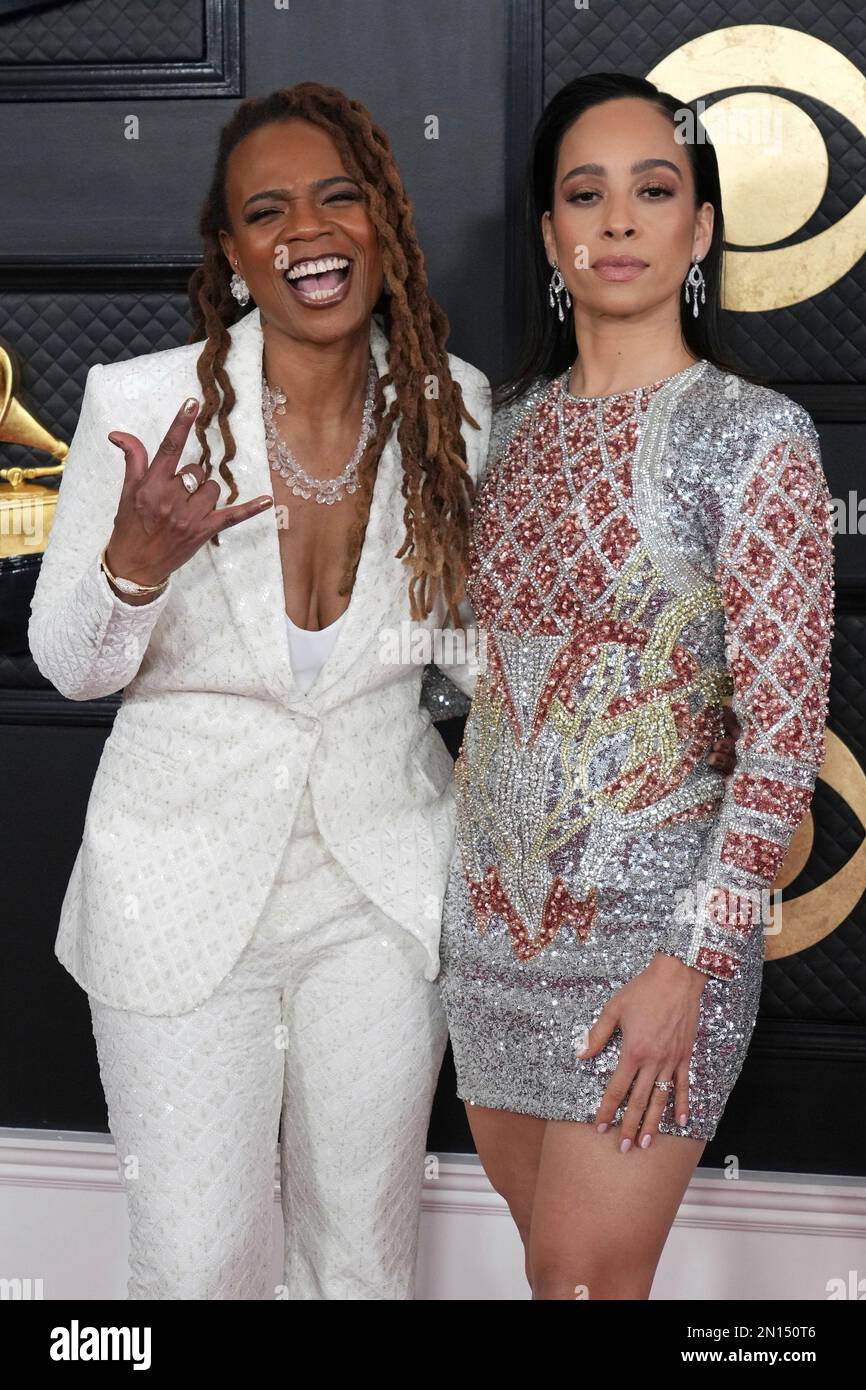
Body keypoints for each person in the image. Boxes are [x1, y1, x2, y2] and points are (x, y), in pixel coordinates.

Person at [28, 82, 491, 1301]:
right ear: (233, 252)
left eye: (339, 197)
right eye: (268, 209)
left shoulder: (455, 410)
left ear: (382, 225)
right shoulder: (139, 406)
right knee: (191, 1264)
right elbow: (71, 666)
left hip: (378, 894)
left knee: (360, 1258)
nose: (308, 229)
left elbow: (474, 655)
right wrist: (132, 565)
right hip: (175, 895)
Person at [435, 73, 835, 1300]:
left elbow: (779, 750)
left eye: (651, 191)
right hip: (489, 940)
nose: (616, 221)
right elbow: (468, 690)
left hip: (653, 948)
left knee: (578, 1285)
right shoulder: (494, 431)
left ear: (700, 227)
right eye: (583, 194)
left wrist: (687, 968)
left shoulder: (752, 433)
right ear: (552, 235)